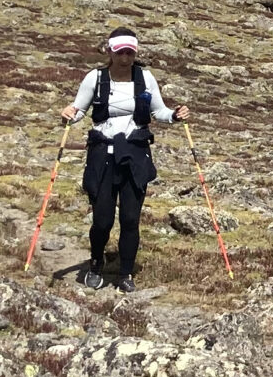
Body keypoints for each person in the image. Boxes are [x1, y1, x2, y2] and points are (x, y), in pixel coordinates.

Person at [61, 28, 188, 290]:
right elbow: (78, 111)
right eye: (120, 52)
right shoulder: (95, 78)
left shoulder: (146, 78)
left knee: (131, 218)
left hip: (135, 154)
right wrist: (67, 115)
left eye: (130, 53)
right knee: (102, 220)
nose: (125, 58)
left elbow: (159, 111)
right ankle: (96, 262)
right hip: (102, 155)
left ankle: (126, 273)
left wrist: (174, 116)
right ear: (110, 51)